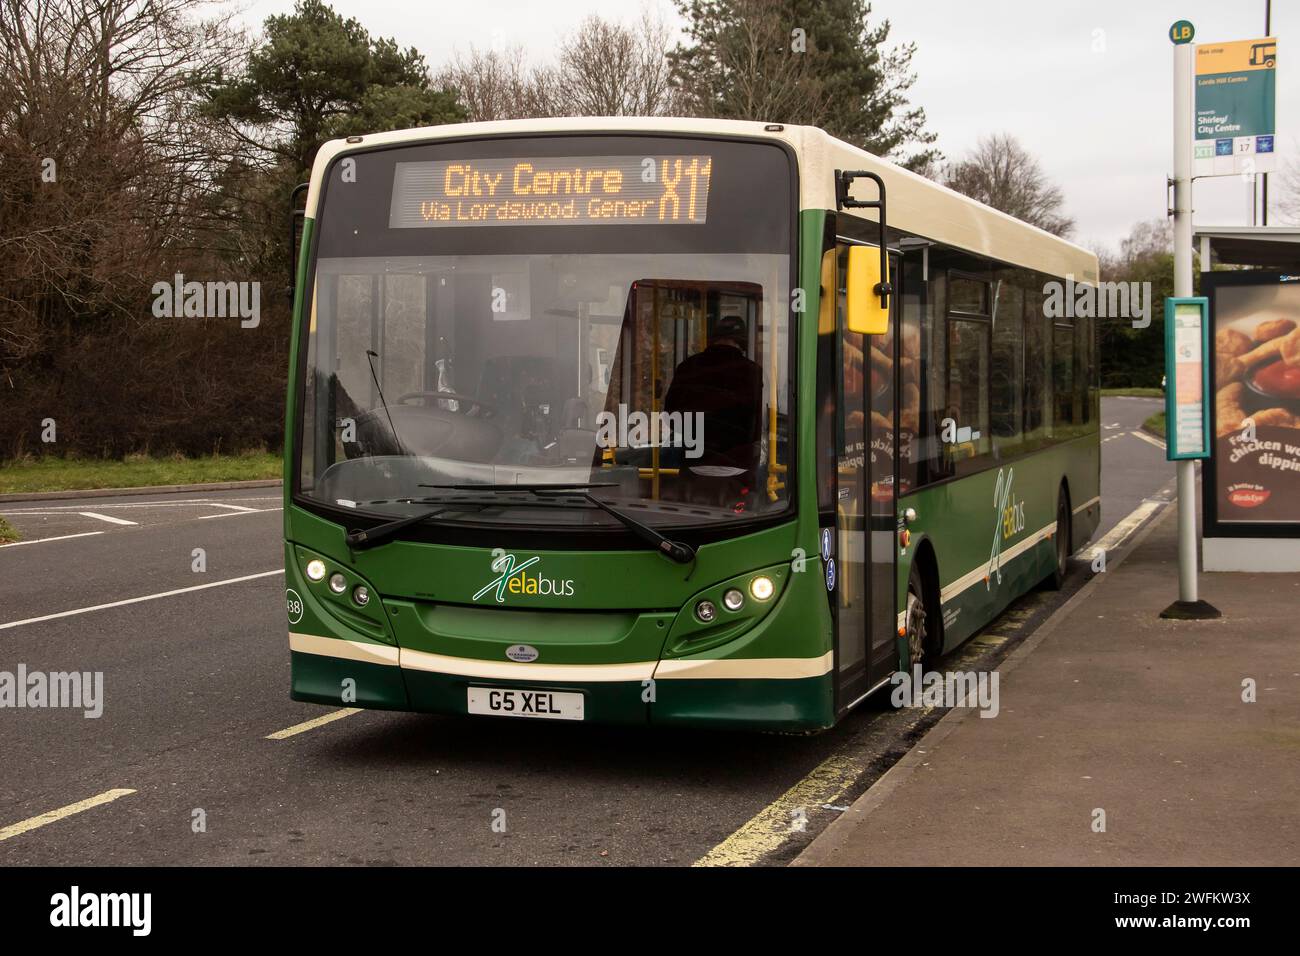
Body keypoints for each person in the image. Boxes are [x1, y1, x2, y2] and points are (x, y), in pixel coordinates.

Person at [663, 314, 764, 502]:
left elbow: (671, 417)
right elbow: (759, 422)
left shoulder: (687, 367)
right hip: (740, 470)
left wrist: (696, 435)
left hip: (694, 466)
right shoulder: (753, 371)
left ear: (712, 339)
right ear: (742, 343)